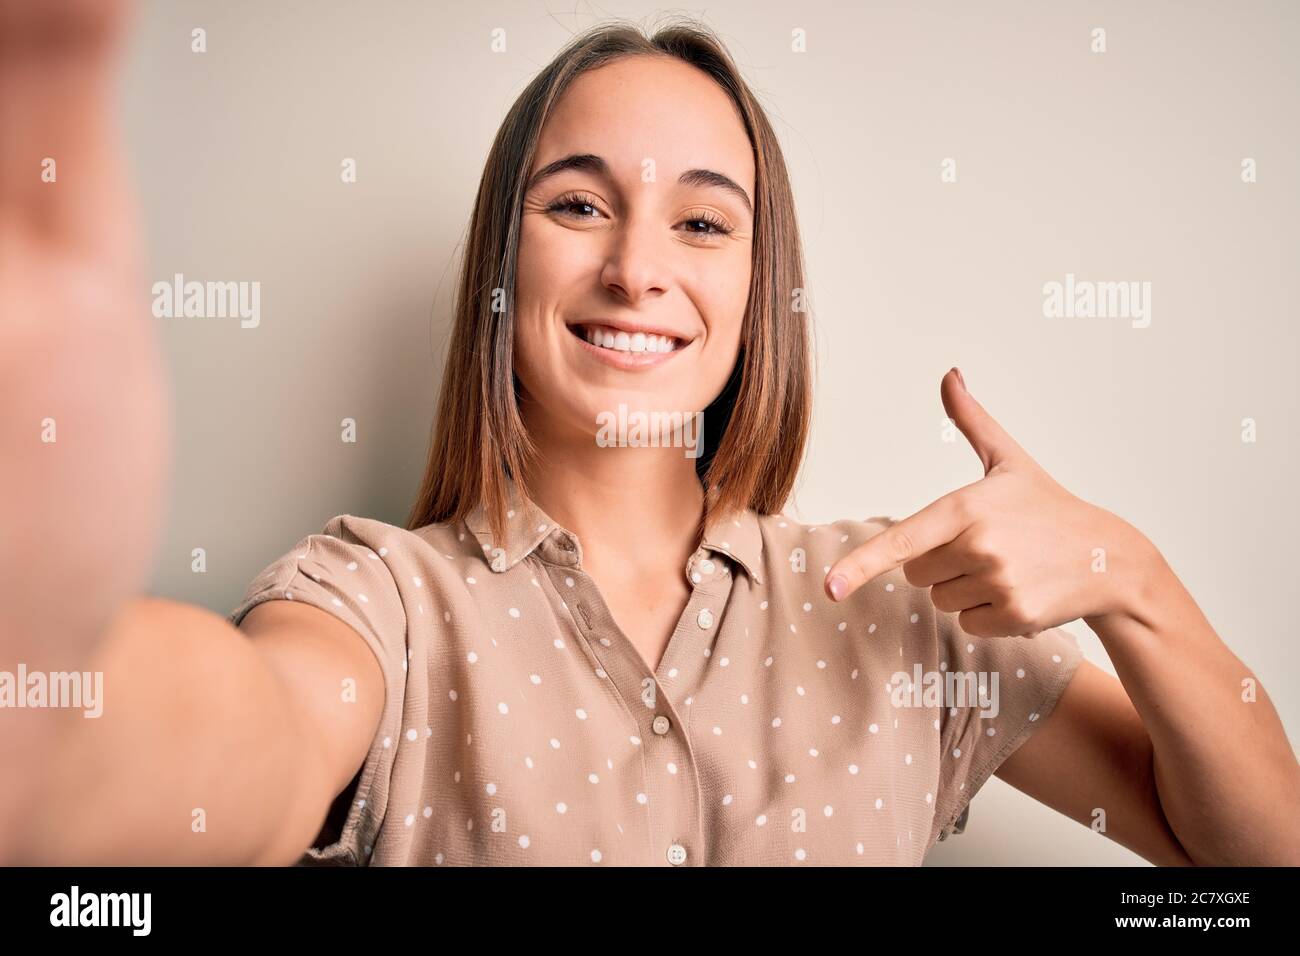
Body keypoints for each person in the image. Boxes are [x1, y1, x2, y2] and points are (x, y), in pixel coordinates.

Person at [2, 3, 1296, 866]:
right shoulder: (384, 603)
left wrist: (1133, 579)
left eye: (701, 221)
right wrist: (43, 673)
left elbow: (1252, 856)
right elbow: (247, 738)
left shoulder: (911, 614)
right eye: (579, 205)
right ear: (502, 268)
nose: (635, 269)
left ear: (759, 287)